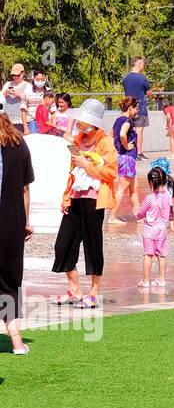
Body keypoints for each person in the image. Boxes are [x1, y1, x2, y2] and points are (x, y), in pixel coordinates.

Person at [51, 98, 118, 309]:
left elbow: (110, 172)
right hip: (76, 197)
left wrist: (87, 165)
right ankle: (74, 288)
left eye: (84, 121)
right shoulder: (78, 140)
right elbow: (72, 172)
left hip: (94, 199)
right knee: (63, 244)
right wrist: (66, 196)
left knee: (93, 244)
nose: (80, 124)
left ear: (95, 122)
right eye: (80, 120)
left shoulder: (105, 142)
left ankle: (94, 291)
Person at [0, 115, 36, 354]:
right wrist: (25, 221)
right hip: (10, 225)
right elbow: (25, 188)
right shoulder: (19, 143)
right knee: (9, 283)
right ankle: (17, 343)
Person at [136, 166, 174, 289]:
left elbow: (140, 214)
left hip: (150, 231)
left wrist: (136, 214)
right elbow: (171, 210)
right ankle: (162, 279)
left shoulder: (150, 198)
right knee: (162, 255)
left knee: (148, 255)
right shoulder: (168, 195)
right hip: (162, 230)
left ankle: (146, 280)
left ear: (151, 183)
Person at [107, 97, 140, 225]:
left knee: (133, 189)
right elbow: (122, 134)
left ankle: (139, 215)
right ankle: (112, 217)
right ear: (130, 108)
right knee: (121, 189)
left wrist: (115, 151)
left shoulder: (117, 120)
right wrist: (126, 146)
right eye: (136, 109)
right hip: (127, 157)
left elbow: (111, 136)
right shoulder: (127, 121)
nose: (137, 111)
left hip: (125, 157)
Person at [122, 57, 157, 151]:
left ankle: (128, 149)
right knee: (139, 130)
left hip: (128, 108)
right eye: (143, 65)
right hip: (140, 108)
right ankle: (138, 152)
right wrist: (153, 95)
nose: (143, 68)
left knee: (128, 129)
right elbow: (149, 93)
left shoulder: (125, 78)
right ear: (140, 64)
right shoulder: (142, 78)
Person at [2, 63, 34, 136]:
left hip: (21, 121)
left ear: (23, 73)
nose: (15, 77)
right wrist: (5, 92)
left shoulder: (28, 86)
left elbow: (31, 102)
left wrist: (20, 95)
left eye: (17, 75)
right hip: (7, 120)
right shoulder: (7, 84)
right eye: (14, 75)